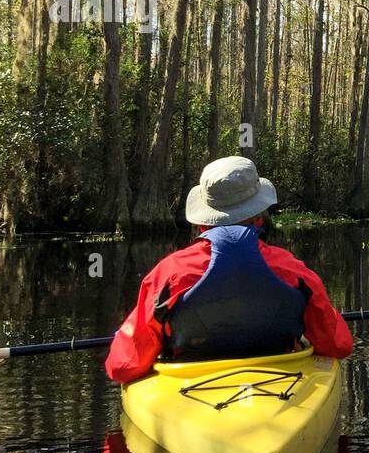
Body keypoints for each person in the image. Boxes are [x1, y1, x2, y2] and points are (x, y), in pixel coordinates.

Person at [105, 156, 353, 383]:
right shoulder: (293, 271)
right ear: (259, 216)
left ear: (203, 221)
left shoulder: (169, 275)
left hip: (191, 382)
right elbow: (338, 345)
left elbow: (123, 367)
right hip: (281, 377)